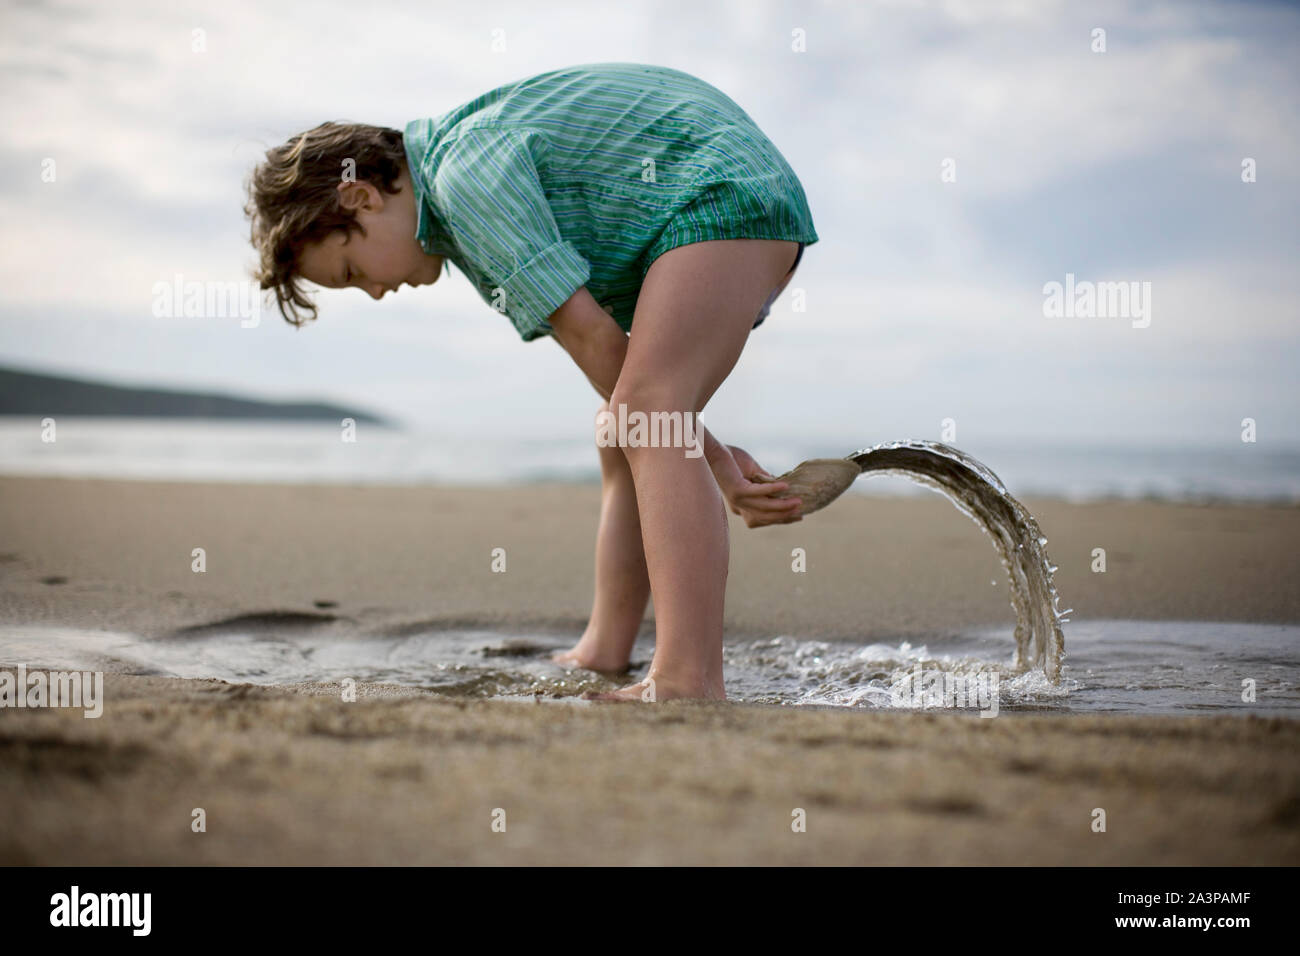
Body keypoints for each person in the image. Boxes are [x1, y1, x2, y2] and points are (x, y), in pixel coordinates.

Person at [244, 62, 818, 701]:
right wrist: (706, 448)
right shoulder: (457, 169)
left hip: (720, 196)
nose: (375, 292)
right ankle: (606, 649)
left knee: (646, 411)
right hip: (710, 212)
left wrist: (715, 462)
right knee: (624, 427)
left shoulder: (464, 181)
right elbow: (607, 352)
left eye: (352, 272)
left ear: (360, 196)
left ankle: (686, 679)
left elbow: (593, 339)